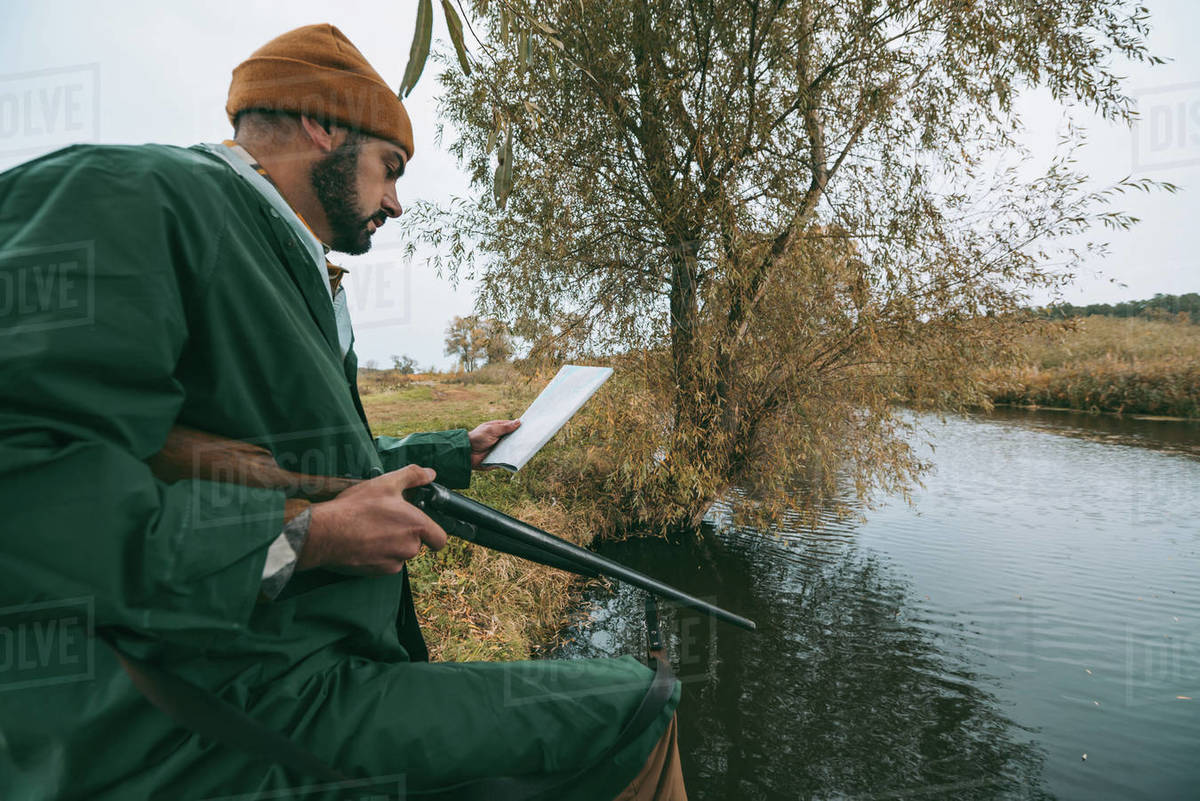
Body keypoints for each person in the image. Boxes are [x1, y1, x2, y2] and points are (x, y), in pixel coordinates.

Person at [0, 23, 685, 801]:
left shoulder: (283, 257)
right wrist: (306, 538)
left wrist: (454, 450)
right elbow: (26, 494)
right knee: (641, 702)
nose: (395, 202)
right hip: (220, 706)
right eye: (389, 168)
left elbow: (281, 448)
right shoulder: (139, 196)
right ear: (323, 122)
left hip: (308, 668)